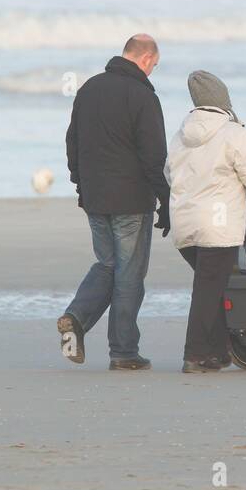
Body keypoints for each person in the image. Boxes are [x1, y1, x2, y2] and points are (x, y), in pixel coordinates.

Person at [56, 34, 170, 370]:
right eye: (154, 66)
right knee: (129, 275)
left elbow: (72, 143)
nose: (152, 72)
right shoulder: (143, 96)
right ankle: (123, 352)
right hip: (131, 201)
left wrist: (81, 185)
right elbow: (154, 157)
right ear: (147, 59)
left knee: (107, 265)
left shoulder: (89, 89)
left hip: (95, 197)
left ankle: (75, 318)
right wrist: (165, 200)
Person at [165, 70, 246, 373]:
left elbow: (169, 173)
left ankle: (217, 352)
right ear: (222, 99)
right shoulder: (232, 133)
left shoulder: (180, 135)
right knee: (208, 288)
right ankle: (195, 354)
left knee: (211, 286)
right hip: (218, 225)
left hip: (184, 224)